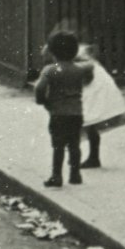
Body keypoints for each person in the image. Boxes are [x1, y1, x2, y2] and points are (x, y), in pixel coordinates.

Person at [33, 29, 94, 188]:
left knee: (58, 146)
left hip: (58, 113)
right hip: (76, 113)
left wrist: (43, 101)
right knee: (74, 145)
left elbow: (39, 88)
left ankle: (57, 175)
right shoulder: (79, 69)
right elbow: (89, 74)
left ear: (52, 51)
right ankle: (75, 174)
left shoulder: (50, 70)